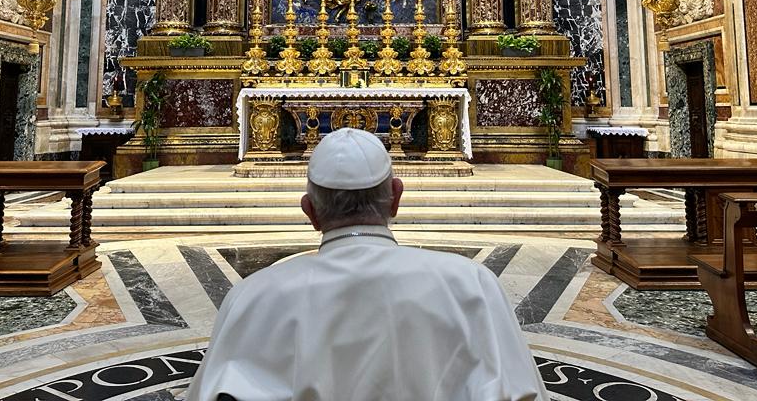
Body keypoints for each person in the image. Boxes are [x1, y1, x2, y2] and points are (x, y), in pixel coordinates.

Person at [186, 128, 548, 401]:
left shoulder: (252, 297)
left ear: (310, 211)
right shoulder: (473, 285)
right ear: (396, 197)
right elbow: (523, 391)